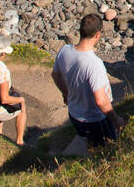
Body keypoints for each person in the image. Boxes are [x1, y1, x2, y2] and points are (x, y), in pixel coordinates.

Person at [51, 13, 125, 151]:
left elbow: (55, 75)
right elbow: (100, 101)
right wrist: (116, 119)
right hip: (94, 119)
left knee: (91, 144)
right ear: (97, 35)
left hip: (74, 113)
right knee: (106, 150)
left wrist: (66, 94)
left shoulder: (64, 50)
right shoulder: (94, 64)